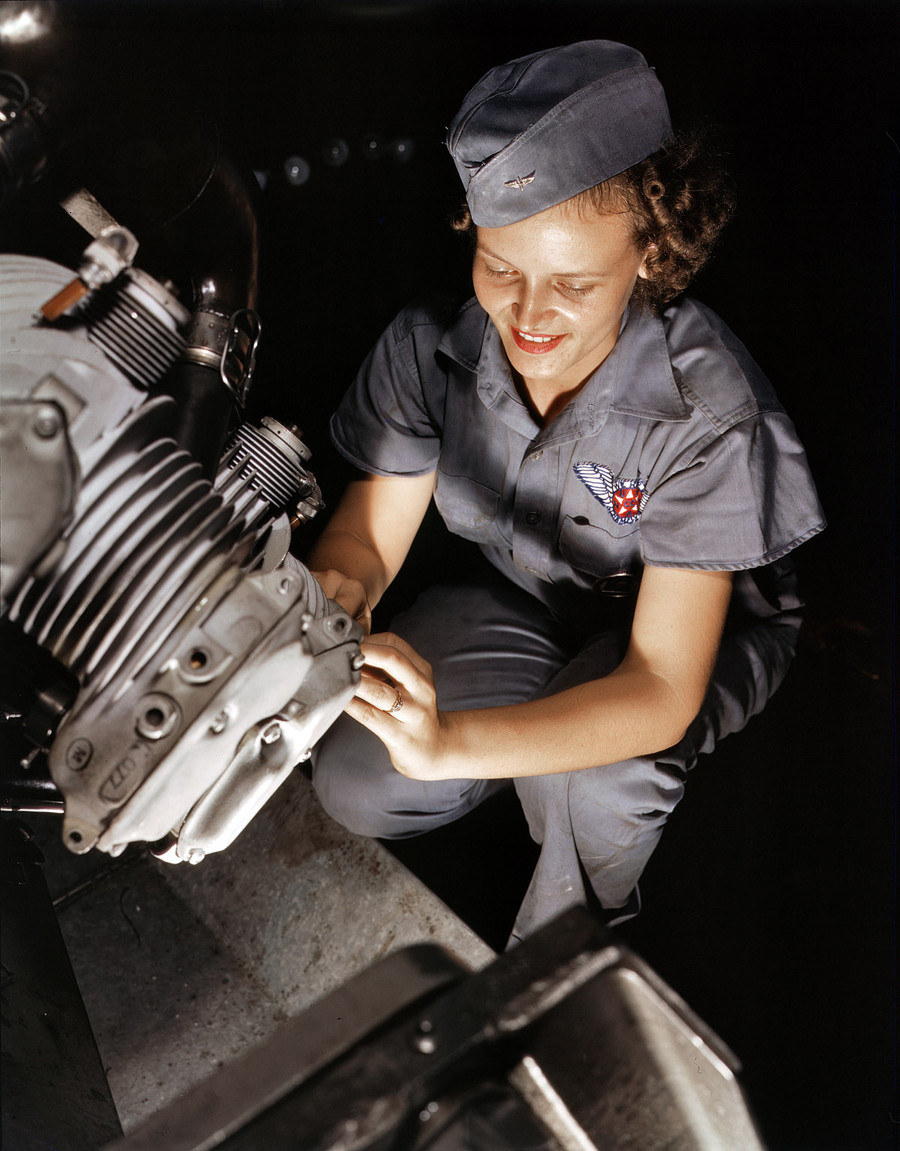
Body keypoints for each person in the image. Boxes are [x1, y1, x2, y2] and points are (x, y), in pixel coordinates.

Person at [306, 40, 825, 946]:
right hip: (532, 599)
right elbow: (369, 539)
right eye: (502, 268)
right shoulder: (430, 343)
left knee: (594, 782)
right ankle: (521, 742)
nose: (529, 314)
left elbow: (661, 684)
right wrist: (327, 608)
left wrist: (452, 743)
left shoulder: (709, 415)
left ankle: (567, 956)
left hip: (677, 643)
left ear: (654, 255)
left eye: (575, 284)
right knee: (355, 775)